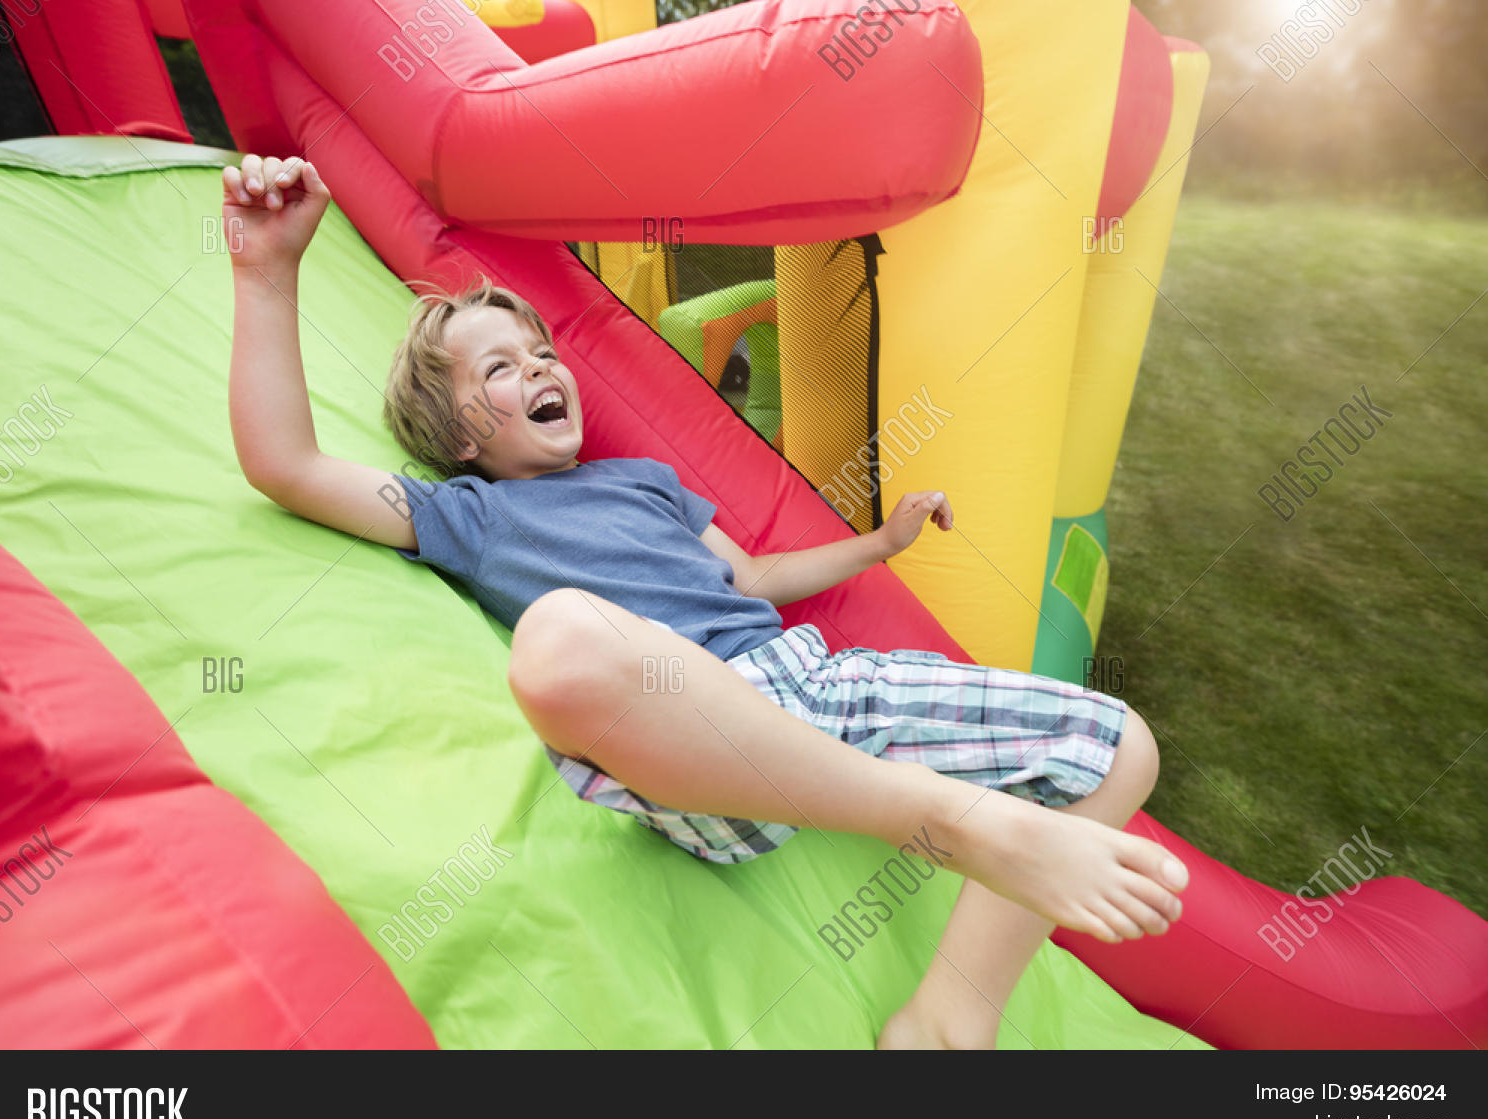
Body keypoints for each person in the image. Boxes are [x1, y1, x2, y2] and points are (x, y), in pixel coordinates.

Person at [224, 154, 1189, 1049]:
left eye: (540, 350)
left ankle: (946, 1020)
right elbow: (288, 465)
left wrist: (883, 542)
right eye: (499, 372)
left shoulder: (642, 478)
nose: (540, 371)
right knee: (559, 637)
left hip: (814, 687)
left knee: (1123, 746)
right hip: (696, 738)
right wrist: (267, 273)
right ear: (456, 435)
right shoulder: (468, 513)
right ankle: (965, 821)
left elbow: (755, 580)